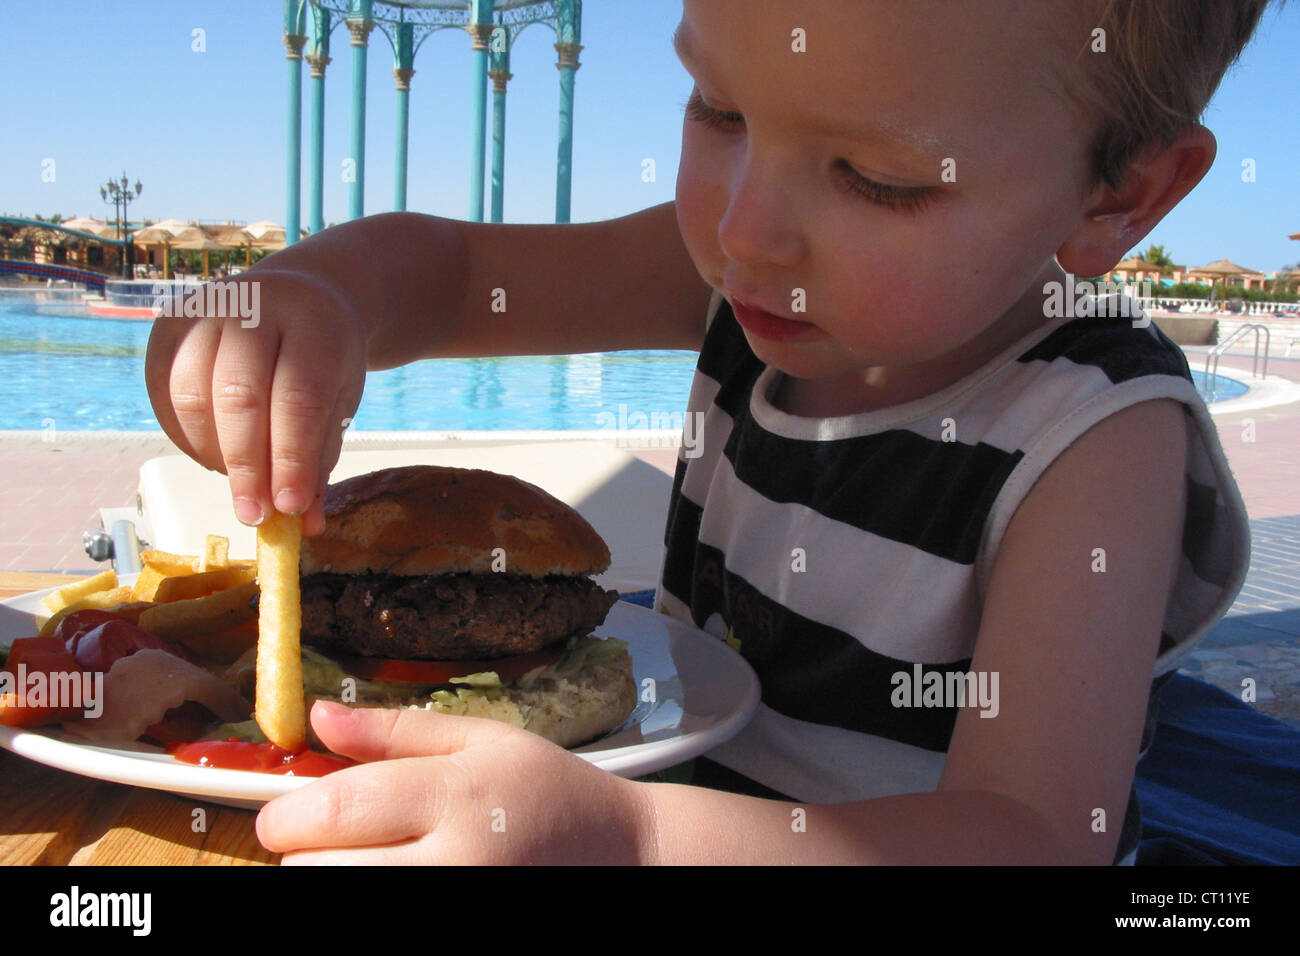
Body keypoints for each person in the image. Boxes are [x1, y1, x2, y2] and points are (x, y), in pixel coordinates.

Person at [145, 0, 1270, 864]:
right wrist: (305, 299)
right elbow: (457, 272)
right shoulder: (741, 284)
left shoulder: (1095, 432)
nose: (745, 230)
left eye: (876, 180)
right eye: (719, 111)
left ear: (1120, 194)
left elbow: (1032, 837)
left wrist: (630, 837)